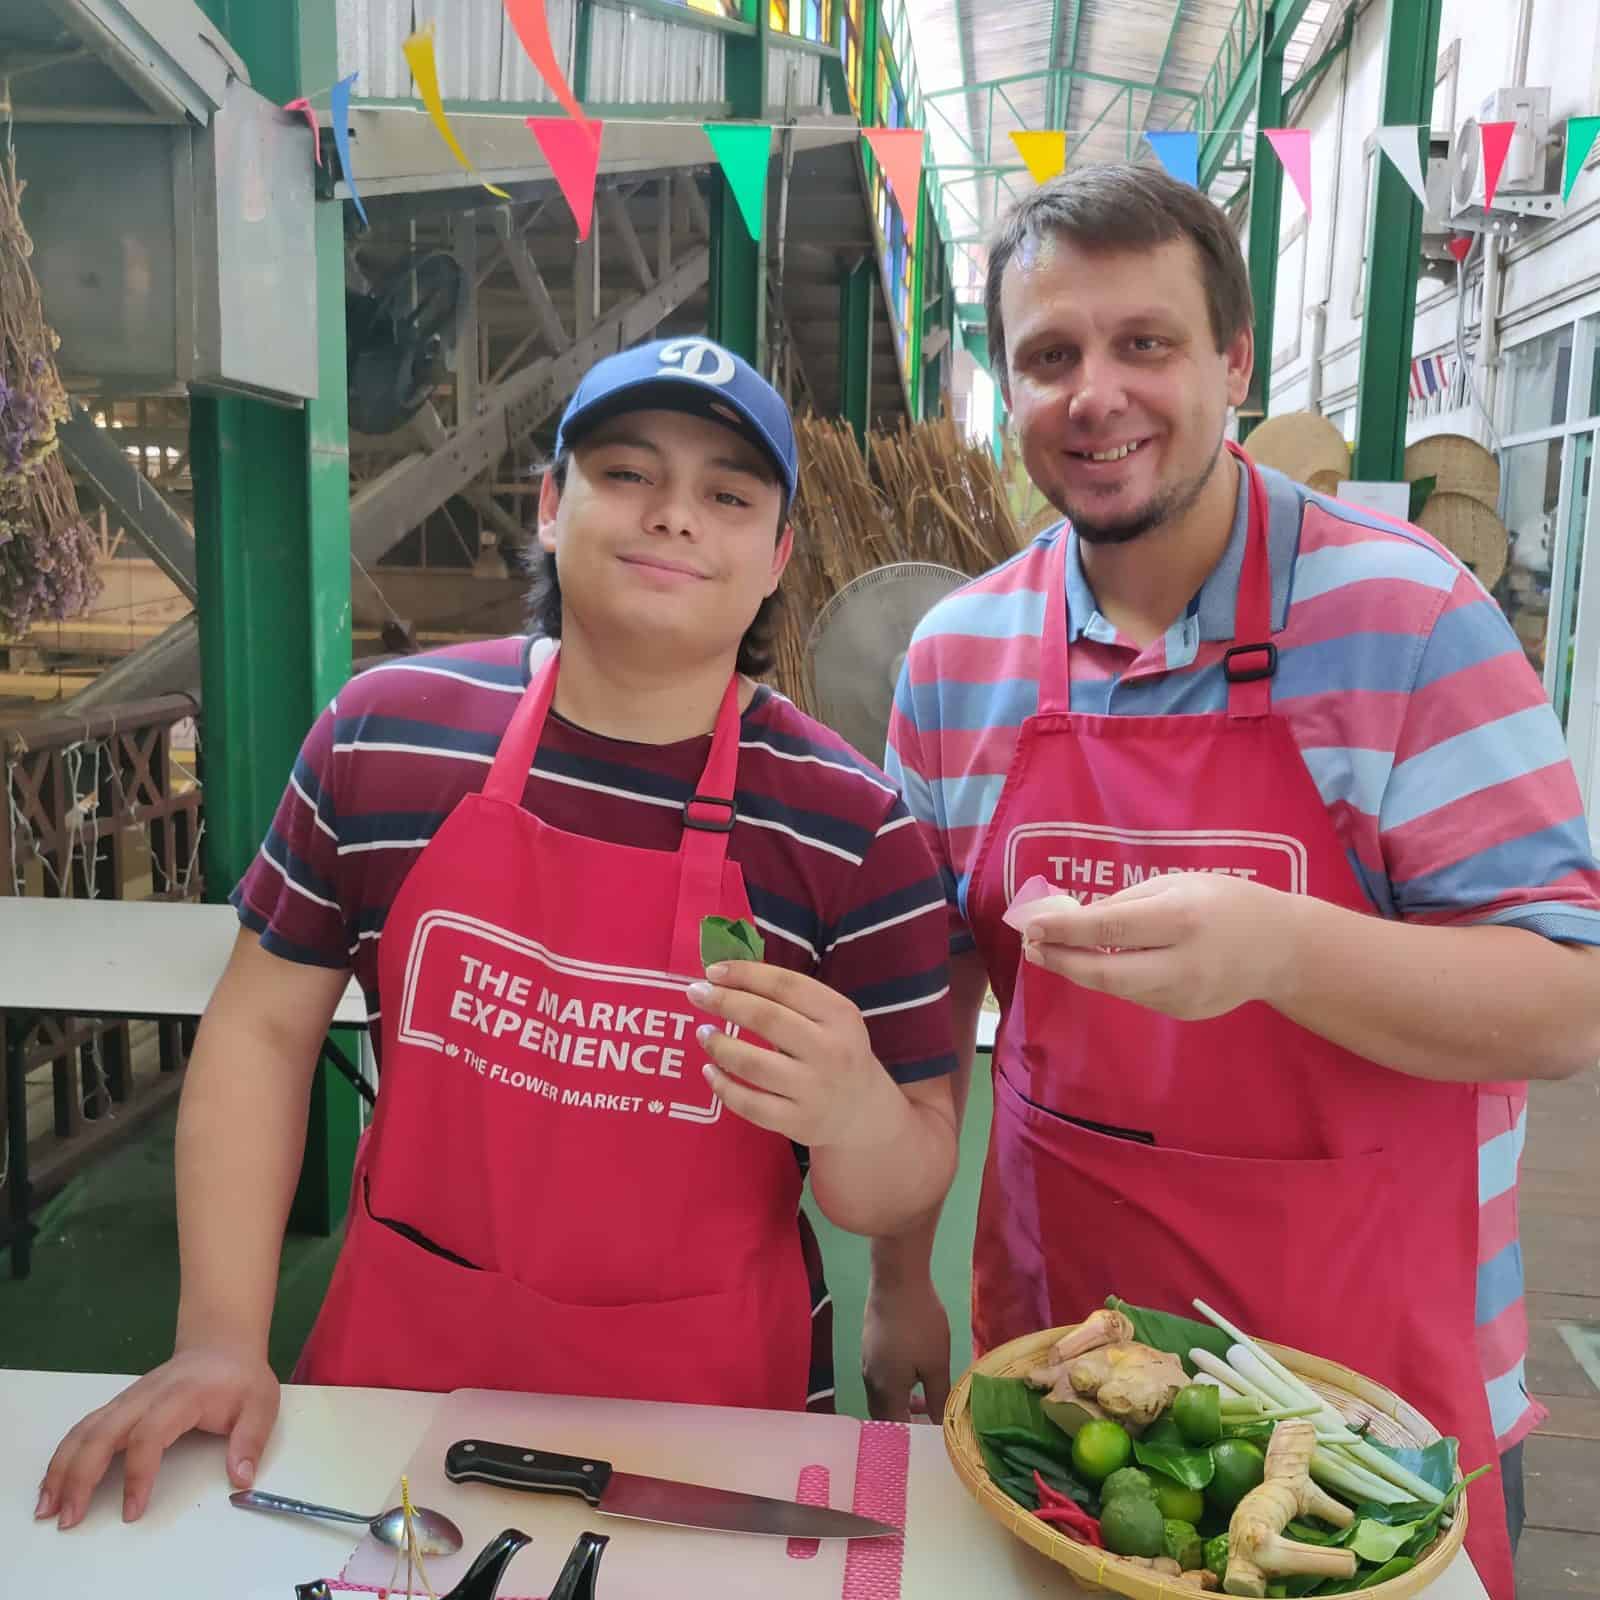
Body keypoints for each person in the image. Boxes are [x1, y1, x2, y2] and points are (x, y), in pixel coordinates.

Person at [38, 336, 958, 1530]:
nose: (674, 514)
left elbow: (907, 1174)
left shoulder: (854, 830)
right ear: (548, 505)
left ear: (778, 551)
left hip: (711, 1427)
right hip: (395, 1395)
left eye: (728, 494)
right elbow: (264, 1029)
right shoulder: (386, 737)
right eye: (626, 473)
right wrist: (218, 1336)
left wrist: (857, 1116)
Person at [867, 165, 1600, 1600]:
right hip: (1069, 1382)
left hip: (1375, 1401)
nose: (1098, 396)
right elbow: (921, 1019)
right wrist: (900, 1289)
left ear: (1235, 363)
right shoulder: (959, 659)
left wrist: (1280, 948)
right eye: (1050, 356)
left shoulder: (1412, 623)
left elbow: (1564, 1003)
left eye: (1146, 344)